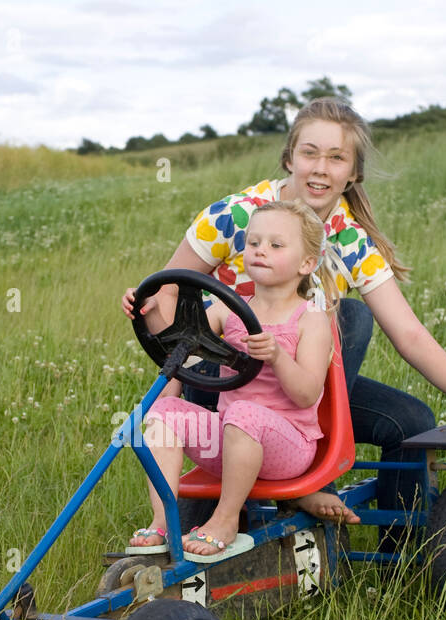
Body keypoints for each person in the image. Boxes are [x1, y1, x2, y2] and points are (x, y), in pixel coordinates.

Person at [133, 97, 446, 542]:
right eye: (310, 153)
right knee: (346, 318)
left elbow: (408, 332)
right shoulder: (236, 216)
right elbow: (167, 290)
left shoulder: (349, 238)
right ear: (289, 158)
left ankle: (405, 564)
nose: (320, 168)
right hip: (222, 380)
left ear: (352, 172)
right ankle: (289, 488)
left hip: (297, 388)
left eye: (336, 157)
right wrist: (145, 309)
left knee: (408, 415)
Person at [120, 200, 335, 560]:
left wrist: (277, 356)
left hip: (289, 448)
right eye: (253, 243)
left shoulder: (310, 319)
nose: (260, 251)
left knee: (244, 413)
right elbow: (180, 349)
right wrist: (150, 312)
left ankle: (225, 518)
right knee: (165, 409)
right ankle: (162, 520)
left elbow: (306, 394)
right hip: (230, 442)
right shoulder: (228, 308)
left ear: (306, 264)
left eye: (275, 245)